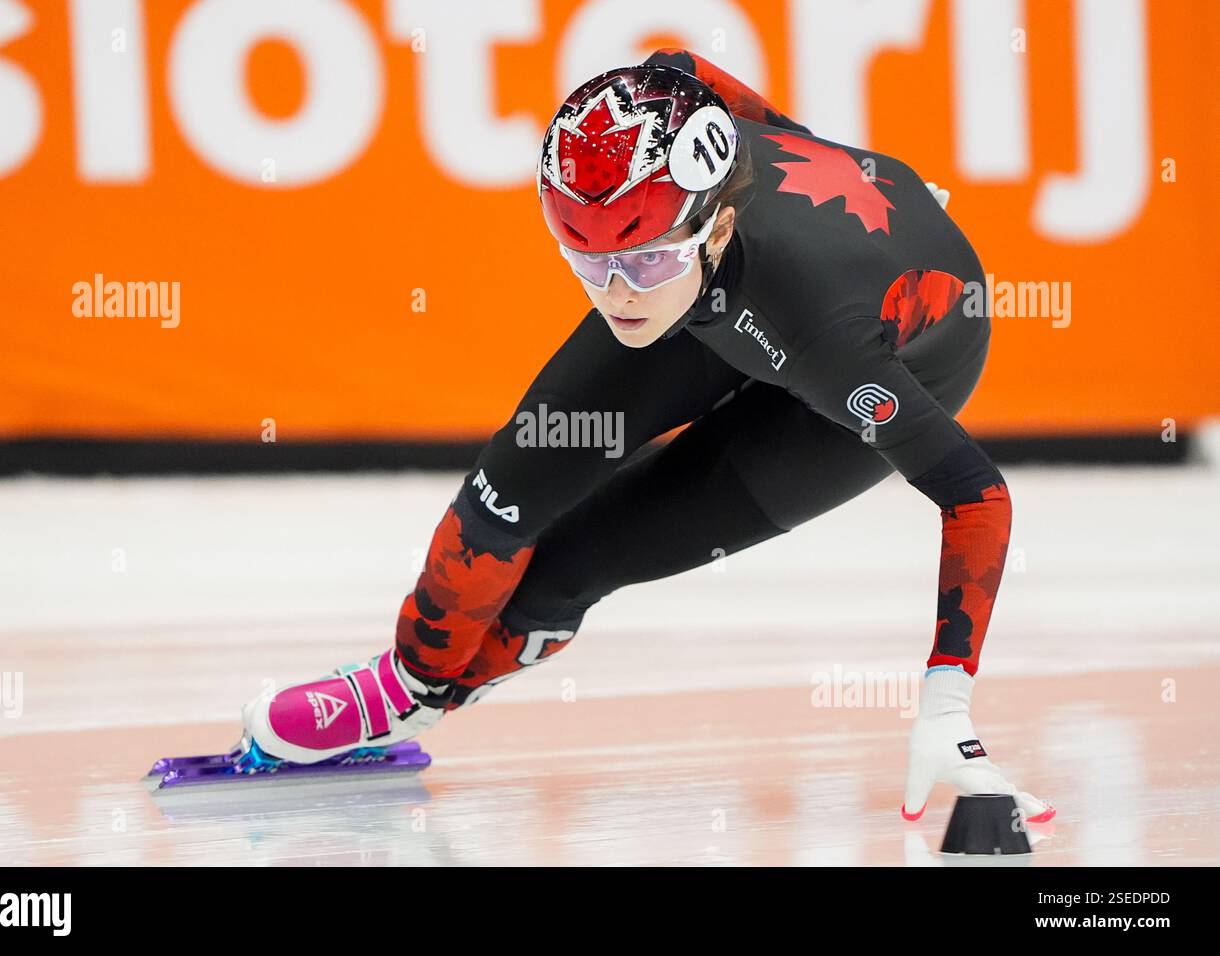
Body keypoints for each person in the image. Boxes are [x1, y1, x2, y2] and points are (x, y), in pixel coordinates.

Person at [242, 50, 1053, 823]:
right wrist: (781, 163)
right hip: (719, 302)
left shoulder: (826, 333)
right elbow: (682, 67)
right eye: (588, 265)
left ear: (718, 225)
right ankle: (407, 687)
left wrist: (949, 697)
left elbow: (976, 493)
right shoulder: (662, 145)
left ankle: (436, 695)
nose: (620, 297)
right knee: (511, 484)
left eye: (644, 266)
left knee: (581, 561)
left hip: (847, 365)